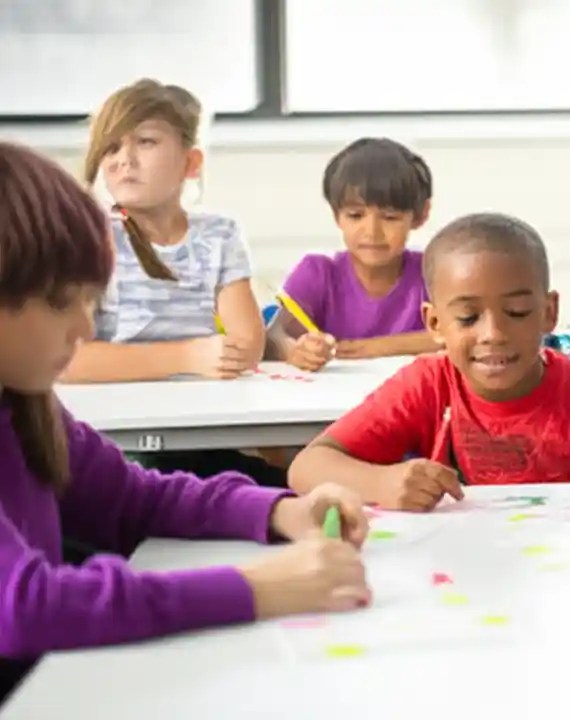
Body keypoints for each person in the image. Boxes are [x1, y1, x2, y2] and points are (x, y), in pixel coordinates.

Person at [0, 141, 371, 703]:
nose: (84, 327)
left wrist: (279, 510)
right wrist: (259, 587)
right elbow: (27, 608)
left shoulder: (25, 406)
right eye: (59, 301)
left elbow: (132, 498)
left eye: (88, 300)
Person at [288, 213, 570, 509]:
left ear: (549, 313)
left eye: (517, 312)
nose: (493, 334)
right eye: (468, 318)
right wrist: (381, 482)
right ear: (435, 323)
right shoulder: (427, 385)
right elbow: (306, 467)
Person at [61, 78, 284, 486]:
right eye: (111, 147)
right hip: (117, 441)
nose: (124, 159)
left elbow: (246, 345)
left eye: (145, 141)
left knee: (275, 487)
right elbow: (70, 360)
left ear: (190, 163)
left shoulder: (220, 233)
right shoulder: (91, 237)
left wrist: (207, 358)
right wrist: (187, 357)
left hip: (200, 427)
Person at [266, 138, 440, 372]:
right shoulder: (318, 273)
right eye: (355, 215)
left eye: (390, 217)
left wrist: (367, 349)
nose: (372, 232)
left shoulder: (433, 273)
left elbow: (460, 335)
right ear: (336, 215)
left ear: (420, 215)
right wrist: (294, 351)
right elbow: (274, 335)